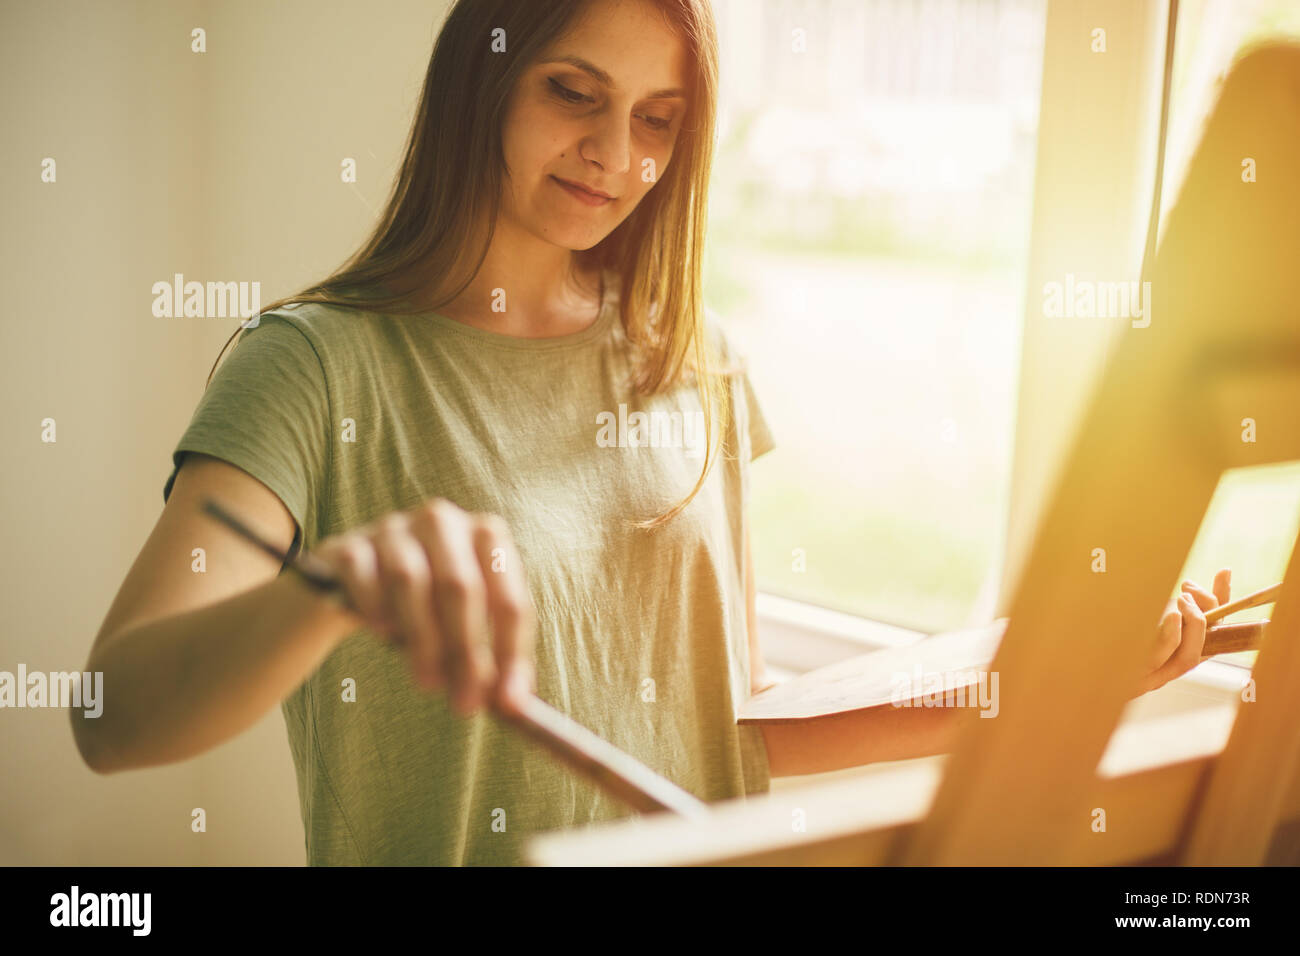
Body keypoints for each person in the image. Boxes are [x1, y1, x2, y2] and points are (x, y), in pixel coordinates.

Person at [70, 0, 1226, 866]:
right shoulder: (312, 363)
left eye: (657, 120)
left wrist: (1046, 671)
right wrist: (327, 588)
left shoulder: (693, 356)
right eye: (574, 93)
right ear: (483, 83)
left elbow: (731, 726)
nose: (617, 155)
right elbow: (109, 714)